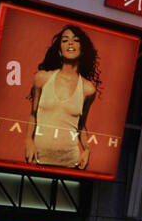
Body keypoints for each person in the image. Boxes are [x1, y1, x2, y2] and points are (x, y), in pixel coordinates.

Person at [25, 24, 100, 170]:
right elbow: (33, 115)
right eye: (65, 40)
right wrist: (28, 141)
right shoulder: (42, 78)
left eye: (76, 40)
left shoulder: (88, 89)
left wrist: (87, 150)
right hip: (37, 159)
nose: (70, 43)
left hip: (71, 163)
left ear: (82, 49)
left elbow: (81, 125)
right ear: (59, 51)